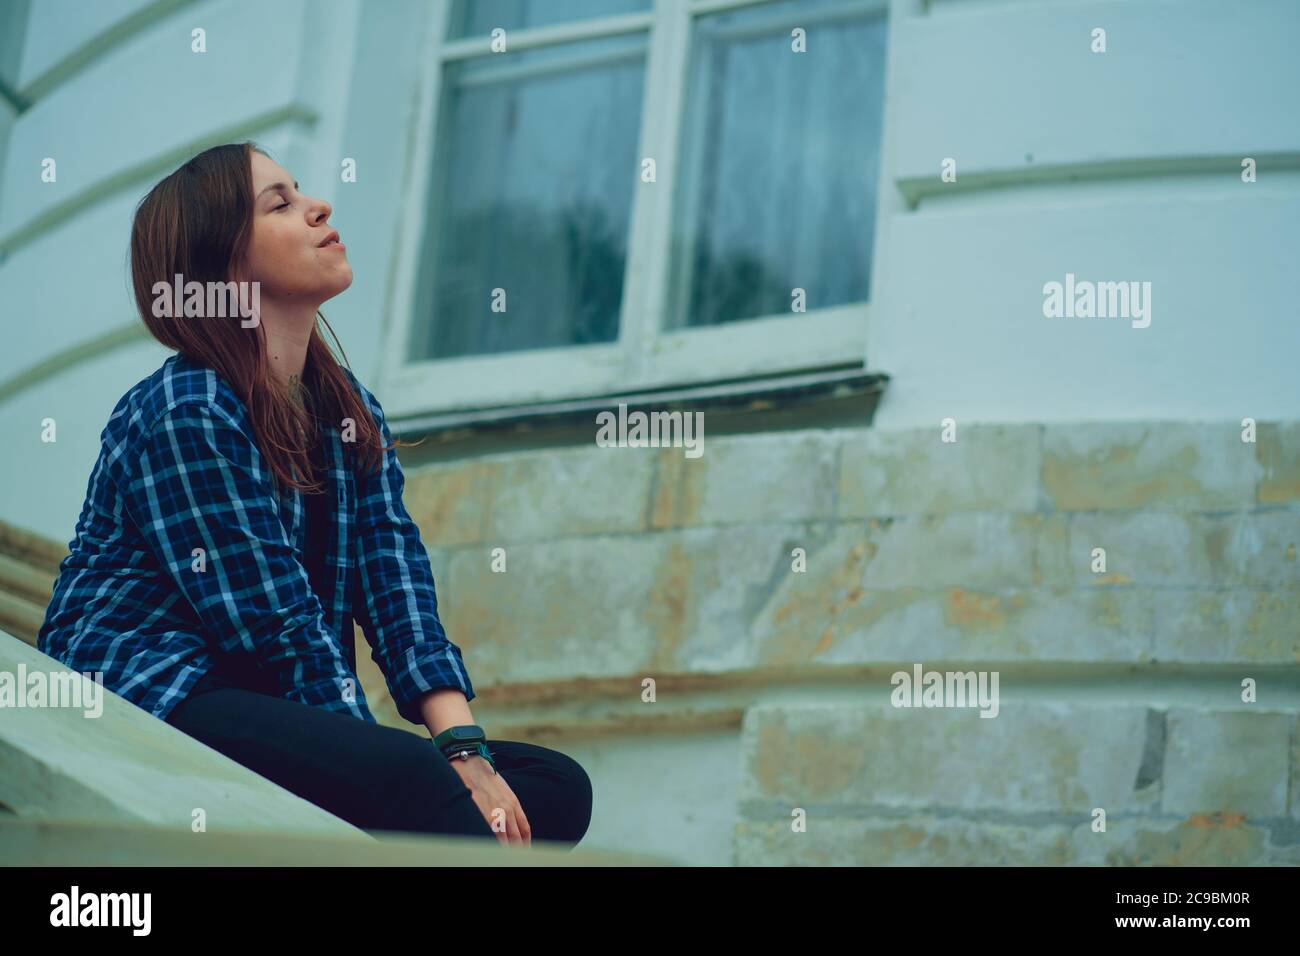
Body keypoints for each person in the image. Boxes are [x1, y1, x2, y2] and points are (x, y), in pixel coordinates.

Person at [36, 141, 592, 850]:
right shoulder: (187, 407)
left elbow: (394, 580)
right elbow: (276, 625)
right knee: (411, 785)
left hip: (256, 692)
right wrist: (378, 764)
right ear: (222, 262)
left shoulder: (346, 409)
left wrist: (465, 750)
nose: (318, 206)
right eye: (281, 203)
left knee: (553, 787)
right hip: (141, 697)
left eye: (300, 192)